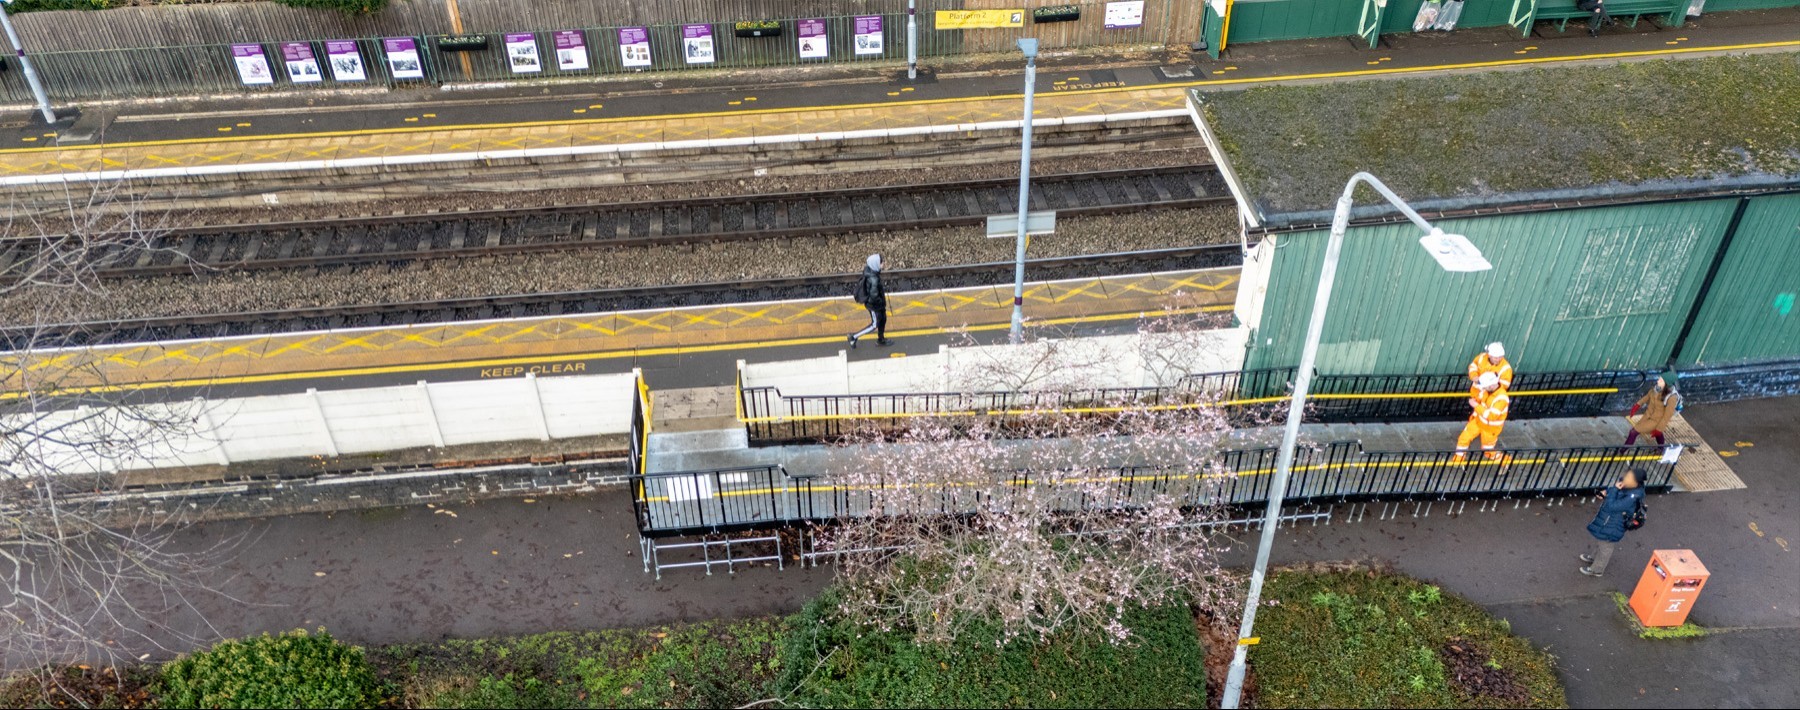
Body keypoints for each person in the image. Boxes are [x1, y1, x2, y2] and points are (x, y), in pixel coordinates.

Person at [1579, 468, 1645, 576]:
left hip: (1613, 526)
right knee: (1601, 541)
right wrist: (1607, 492)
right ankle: (1594, 557)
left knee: (1605, 547)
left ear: (1636, 482)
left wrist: (1613, 490)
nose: (1625, 478)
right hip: (1608, 521)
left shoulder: (1632, 497)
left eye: (1629, 477)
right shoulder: (1628, 485)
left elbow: (1612, 506)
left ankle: (1597, 569)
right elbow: (1616, 492)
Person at [1453, 371, 1510, 463]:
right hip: (1478, 421)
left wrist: (1475, 405)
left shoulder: (1501, 399)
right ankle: (1458, 461)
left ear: (1491, 386)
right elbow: (1480, 399)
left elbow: (1491, 416)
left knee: (1488, 451)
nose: (1483, 388)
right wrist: (1476, 402)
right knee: (1464, 438)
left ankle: (1505, 462)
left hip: (1490, 428)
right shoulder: (1486, 391)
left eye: (1485, 387)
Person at [1624, 373, 1681, 446]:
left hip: (1656, 421)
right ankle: (1661, 448)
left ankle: (1621, 452)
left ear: (1666, 383)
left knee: (1633, 432)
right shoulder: (1656, 388)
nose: (1657, 381)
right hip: (1648, 415)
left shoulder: (1672, 398)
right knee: (1657, 434)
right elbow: (1647, 396)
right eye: (1659, 379)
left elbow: (1667, 416)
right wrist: (1637, 405)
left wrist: (1659, 428)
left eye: (1660, 380)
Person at [848, 253, 890, 348]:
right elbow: (874, 296)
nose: (883, 264)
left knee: (883, 320)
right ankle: (853, 337)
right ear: (875, 264)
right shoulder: (874, 279)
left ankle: (881, 339)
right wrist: (881, 303)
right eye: (881, 262)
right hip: (874, 306)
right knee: (874, 325)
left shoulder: (872, 271)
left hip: (878, 305)